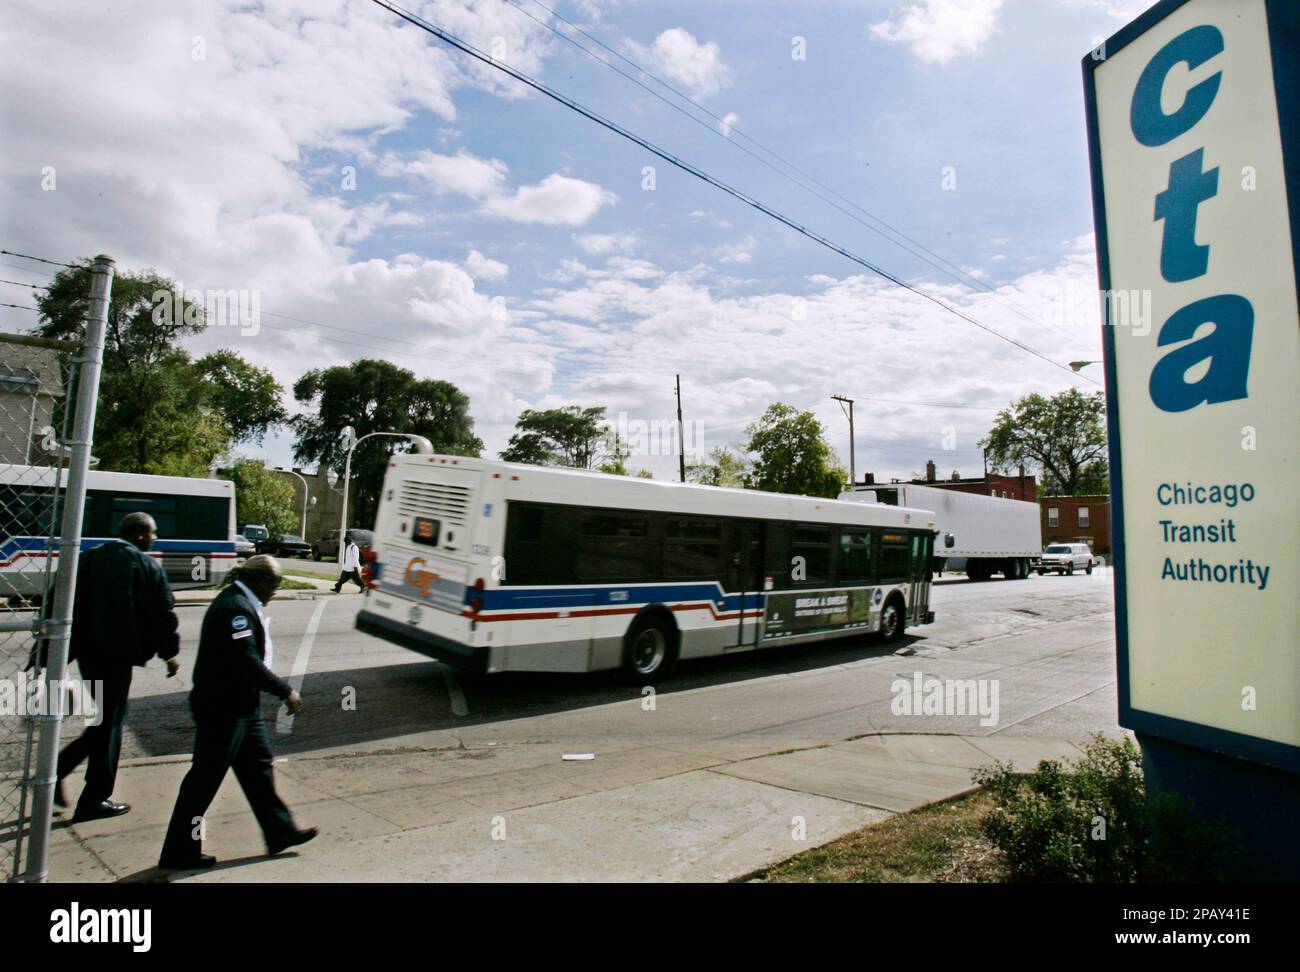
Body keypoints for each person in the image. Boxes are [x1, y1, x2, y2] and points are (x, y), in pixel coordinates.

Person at [158, 555, 317, 870]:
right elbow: (246, 662)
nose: (276, 590)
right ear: (258, 580)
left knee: (258, 768)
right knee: (204, 779)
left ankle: (279, 832)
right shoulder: (235, 610)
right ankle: (179, 852)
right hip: (223, 709)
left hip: (243, 706)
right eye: (274, 584)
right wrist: (285, 691)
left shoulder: (241, 603)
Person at [56, 512, 180, 822]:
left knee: (106, 719)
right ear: (139, 534)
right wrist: (169, 654)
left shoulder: (90, 558)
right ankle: (93, 798)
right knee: (109, 724)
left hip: (88, 653)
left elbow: (62, 599)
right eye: (152, 533)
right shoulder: (145, 566)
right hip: (117, 657)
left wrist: (48, 651)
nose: (155, 538)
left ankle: (60, 770)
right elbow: (161, 614)